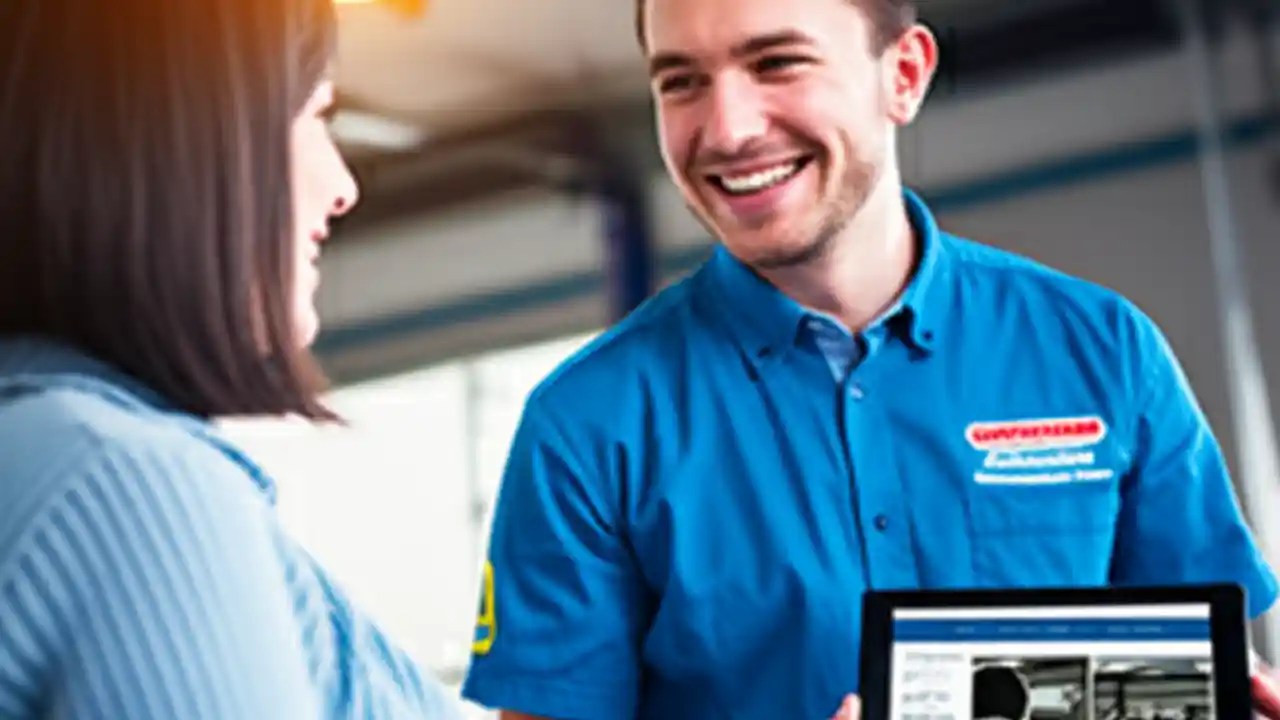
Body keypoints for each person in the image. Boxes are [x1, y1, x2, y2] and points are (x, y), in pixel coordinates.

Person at [460, 0, 1279, 718]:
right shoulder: (587, 425)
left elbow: (1195, 672)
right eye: (681, 81)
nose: (729, 129)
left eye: (776, 62)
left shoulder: (1104, 351)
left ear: (906, 74)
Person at [0, 0, 463, 717]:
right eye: (316, 113)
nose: (343, 186)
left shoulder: (43, 456)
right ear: (182, 146)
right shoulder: (127, 489)